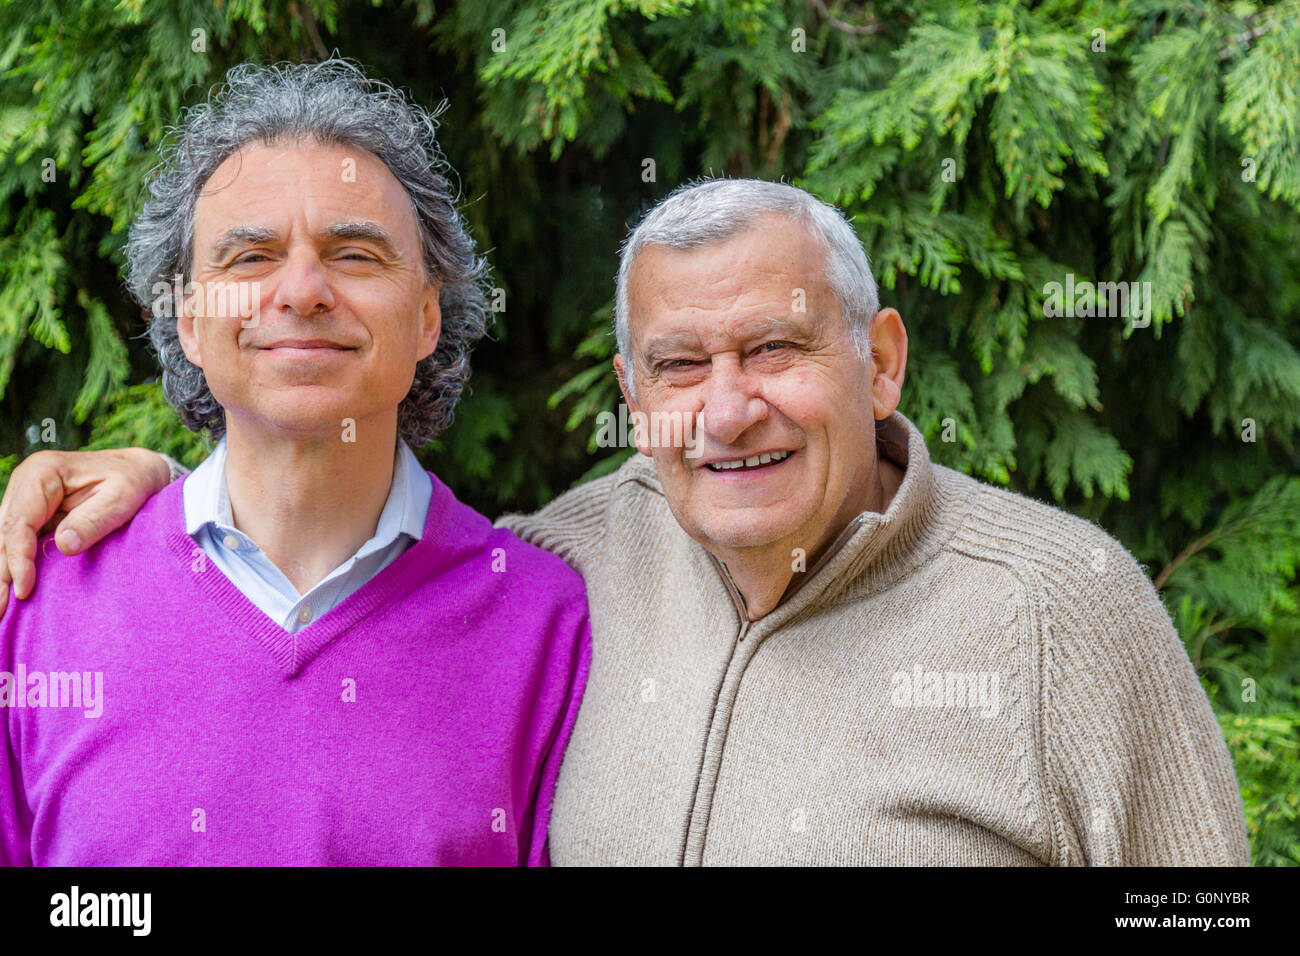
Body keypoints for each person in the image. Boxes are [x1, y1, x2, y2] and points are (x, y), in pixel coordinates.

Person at [1, 178, 1249, 866]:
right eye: (677, 365)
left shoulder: (1059, 602)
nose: (725, 409)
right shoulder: (560, 572)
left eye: (773, 347)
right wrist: (163, 493)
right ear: (630, 396)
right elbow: (339, 546)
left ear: (878, 363)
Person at [0, 58, 590, 866]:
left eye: (355, 254)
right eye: (250, 258)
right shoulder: (40, 605)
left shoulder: (544, 625)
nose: (304, 289)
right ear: (190, 324)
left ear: (426, 316)